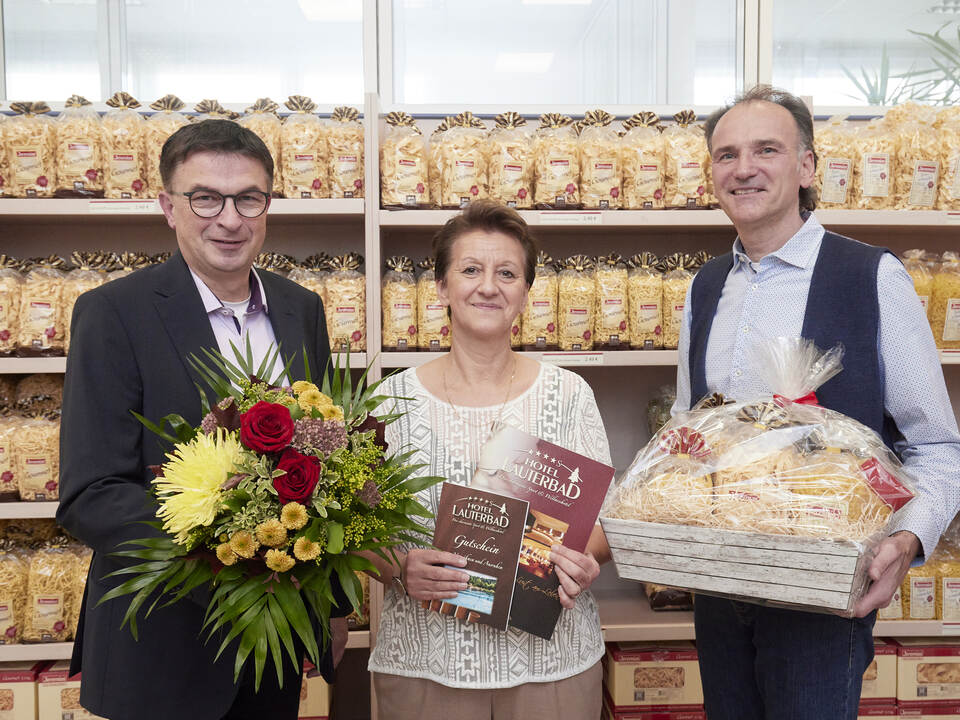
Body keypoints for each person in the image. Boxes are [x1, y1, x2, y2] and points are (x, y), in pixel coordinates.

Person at [672, 85, 960, 719]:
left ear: (806, 167)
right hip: (719, 584)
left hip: (824, 590)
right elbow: (687, 429)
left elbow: (937, 445)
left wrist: (908, 540)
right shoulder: (706, 285)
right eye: (726, 155)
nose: (743, 168)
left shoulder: (871, 276)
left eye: (766, 150)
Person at [57, 119, 347, 720]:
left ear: (268, 204)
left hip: (274, 644)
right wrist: (229, 544)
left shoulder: (301, 309)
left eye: (248, 198)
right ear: (168, 206)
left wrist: (334, 605)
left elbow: (331, 462)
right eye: (205, 198)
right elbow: (91, 495)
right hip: (161, 650)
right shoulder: (113, 313)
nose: (230, 218)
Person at [365, 199, 612, 719]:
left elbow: (605, 521)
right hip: (427, 664)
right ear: (441, 286)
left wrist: (577, 561)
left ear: (525, 292)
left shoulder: (568, 394)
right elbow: (355, 534)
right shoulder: (391, 401)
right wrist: (398, 568)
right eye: (470, 270)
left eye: (507, 273)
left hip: (553, 663)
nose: (488, 286)